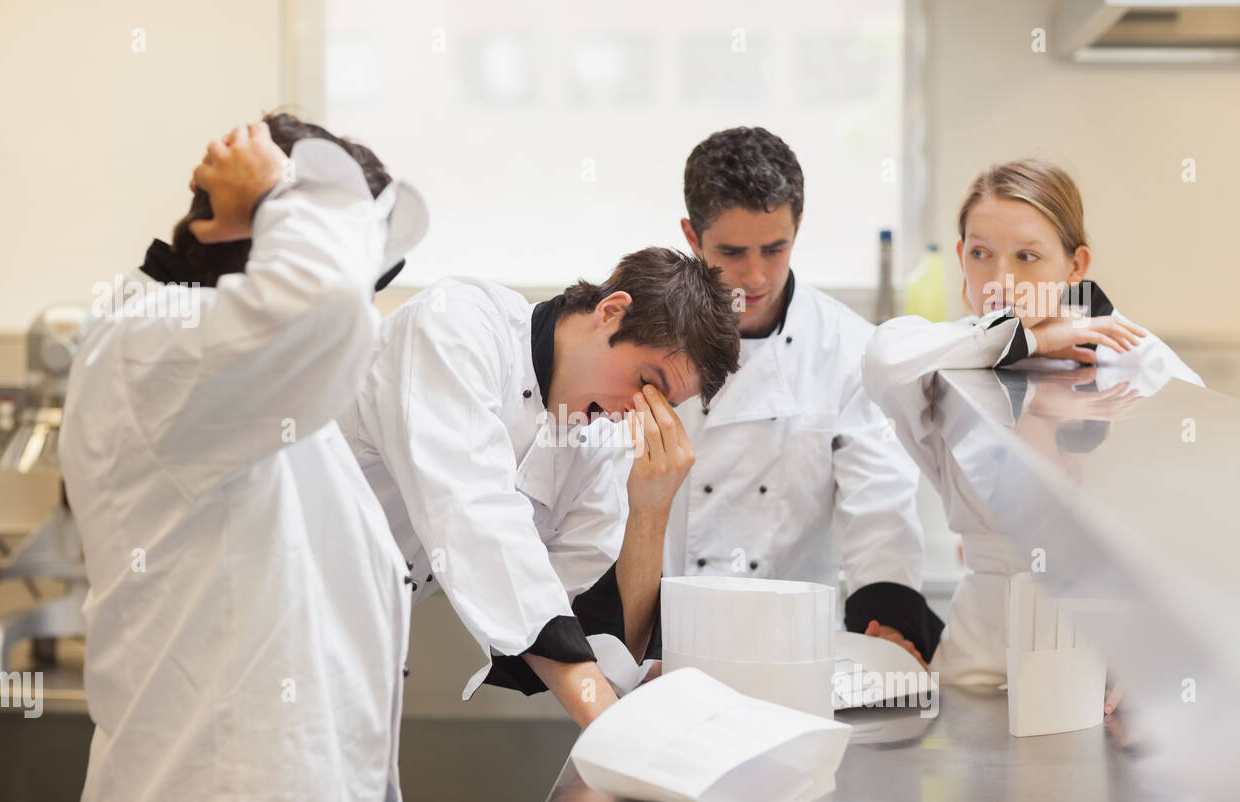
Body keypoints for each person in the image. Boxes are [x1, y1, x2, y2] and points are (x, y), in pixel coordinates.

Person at [59, 114, 427, 802]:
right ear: (256, 233)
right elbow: (321, 310)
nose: (368, 305)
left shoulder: (253, 388)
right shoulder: (151, 351)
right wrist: (273, 193)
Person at [337, 249, 742, 726]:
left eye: (660, 403)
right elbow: (473, 516)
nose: (637, 411)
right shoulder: (458, 326)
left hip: (364, 635)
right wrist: (612, 730)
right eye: (645, 382)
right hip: (273, 591)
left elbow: (589, 633)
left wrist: (651, 511)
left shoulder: (597, 442)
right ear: (611, 312)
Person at [863, 158, 1203, 687]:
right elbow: (883, 356)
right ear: (961, 257)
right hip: (976, 658)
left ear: (1075, 265)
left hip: (1099, 660)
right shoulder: (945, 353)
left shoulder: (1128, 353)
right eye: (981, 255)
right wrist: (1028, 338)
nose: (1001, 281)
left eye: (1027, 256)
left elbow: (1199, 491)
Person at [662, 126, 940, 665]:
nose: (755, 275)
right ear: (692, 237)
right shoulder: (650, 342)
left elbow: (878, 504)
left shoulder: (847, 349)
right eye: (731, 252)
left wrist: (887, 619)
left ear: (798, 227)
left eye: (775, 248)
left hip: (795, 649)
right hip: (666, 643)